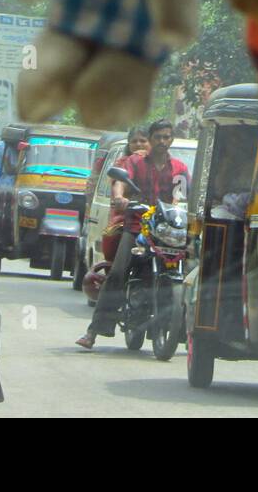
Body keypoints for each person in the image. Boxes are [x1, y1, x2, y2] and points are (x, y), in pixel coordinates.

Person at [76, 120, 189, 350]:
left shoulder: (179, 168)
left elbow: (179, 196)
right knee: (117, 272)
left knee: (188, 270)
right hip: (136, 226)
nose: (162, 141)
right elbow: (120, 181)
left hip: (165, 230)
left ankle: (184, 332)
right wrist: (119, 197)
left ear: (171, 140)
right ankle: (94, 331)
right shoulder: (135, 162)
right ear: (150, 139)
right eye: (158, 137)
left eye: (166, 137)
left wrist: (176, 206)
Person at [99, 127, 150, 265]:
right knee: (115, 244)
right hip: (129, 217)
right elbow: (119, 183)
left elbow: (177, 189)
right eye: (134, 141)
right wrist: (120, 197)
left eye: (143, 141)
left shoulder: (165, 163)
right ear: (129, 144)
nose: (139, 144)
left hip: (156, 220)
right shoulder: (123, 163)